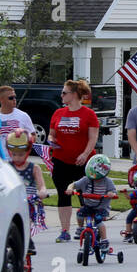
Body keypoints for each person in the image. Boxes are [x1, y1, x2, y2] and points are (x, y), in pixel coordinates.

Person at [49, 79, 100, 242]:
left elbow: (93, 137)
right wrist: (51, 140)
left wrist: (85, 154)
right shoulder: (58, 113)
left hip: (83, 163)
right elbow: (52, 133)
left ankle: (86, 227)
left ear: (75, 95)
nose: (61, 95)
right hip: (61, 160)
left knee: (84, 195)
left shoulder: (89, 114)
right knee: (63, 194)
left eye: (64, 92)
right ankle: (65, 230)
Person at [64, 154, 118, 254]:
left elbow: (114, 192)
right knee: (80, 213)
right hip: (88, 206)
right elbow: (74, 184)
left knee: (98, 221)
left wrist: (111, 194)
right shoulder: (86, 179)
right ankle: (81, 228)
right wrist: (70, 189)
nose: (95, 179)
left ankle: (104, 240)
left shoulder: (108, 182)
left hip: (102, 208)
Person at [5, 130, 47, 253]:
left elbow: (42, 186)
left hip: (28, 201)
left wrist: (42, 192)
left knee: (25, 219)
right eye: (14, 154)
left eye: (21, 154)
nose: (17, 157)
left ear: (27, 152)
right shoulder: (7, 167)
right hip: (12, 200)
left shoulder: (34, 168)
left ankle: (28, 241)